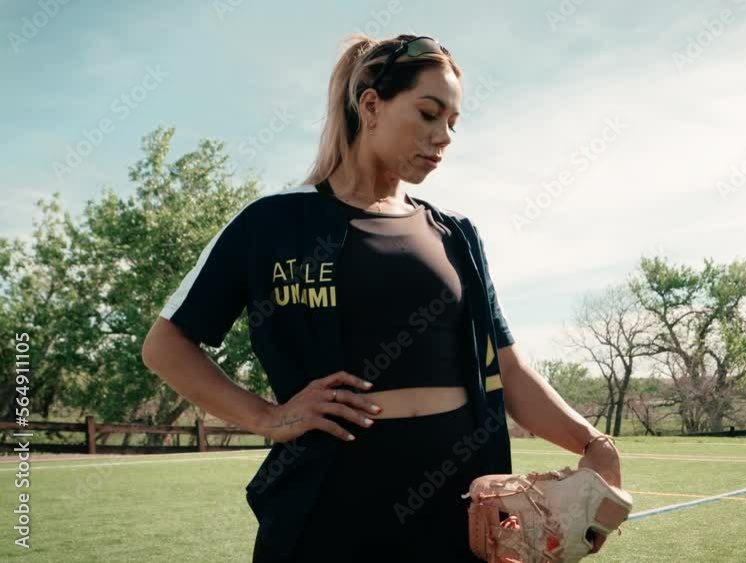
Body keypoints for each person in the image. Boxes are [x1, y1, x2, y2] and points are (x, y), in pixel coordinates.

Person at [141, 33, 623, 562]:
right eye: (428, 113)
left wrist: (593, 443)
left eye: (453, 122)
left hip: (458, 508)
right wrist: (266, 417)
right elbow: (166, 345)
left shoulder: (456, 234)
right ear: (370, 106)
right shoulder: (273, 223)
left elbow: (506, 367)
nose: (444, 136)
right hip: (329, 508)